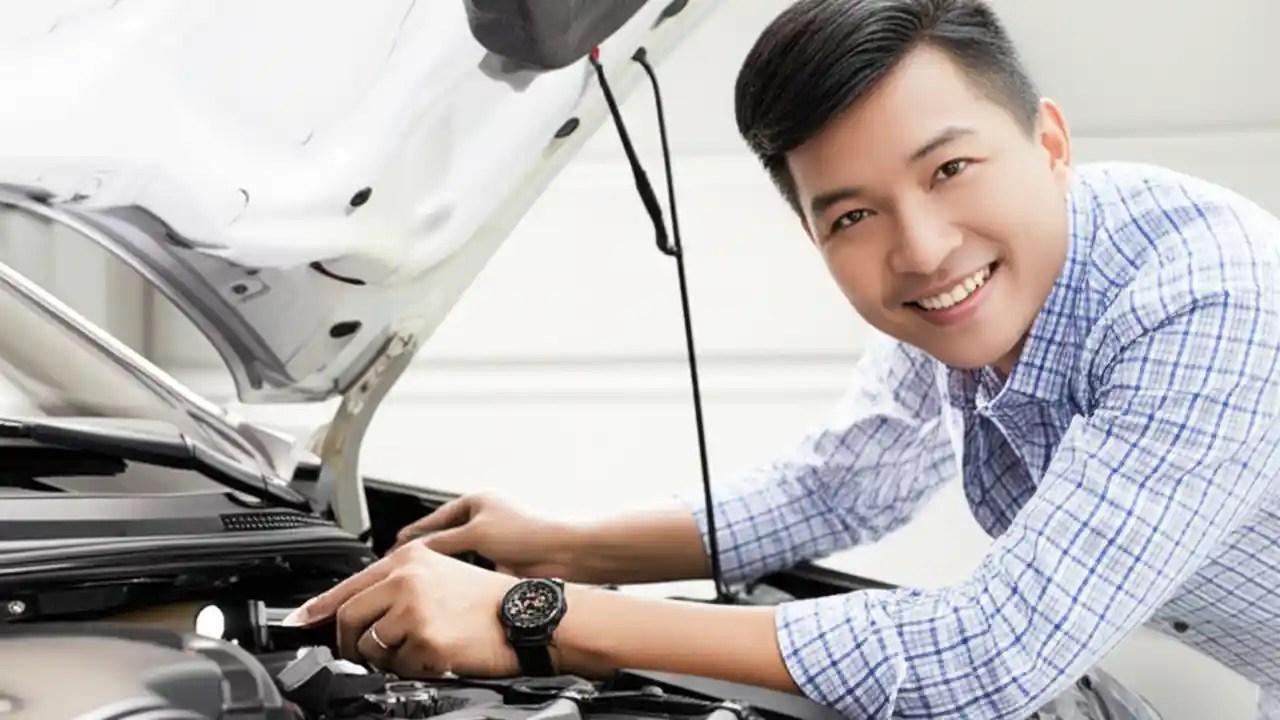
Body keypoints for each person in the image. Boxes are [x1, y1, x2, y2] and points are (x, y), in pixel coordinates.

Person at [282, 0, 1280, 716]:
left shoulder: (1203, 295)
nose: (923, 248)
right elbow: (845, 486)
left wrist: (535, 613)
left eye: (949, 168)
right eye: (853, 213)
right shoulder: (957, 306)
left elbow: (990, 655)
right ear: (811, 233)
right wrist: (565, 547)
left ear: (1049, 142)